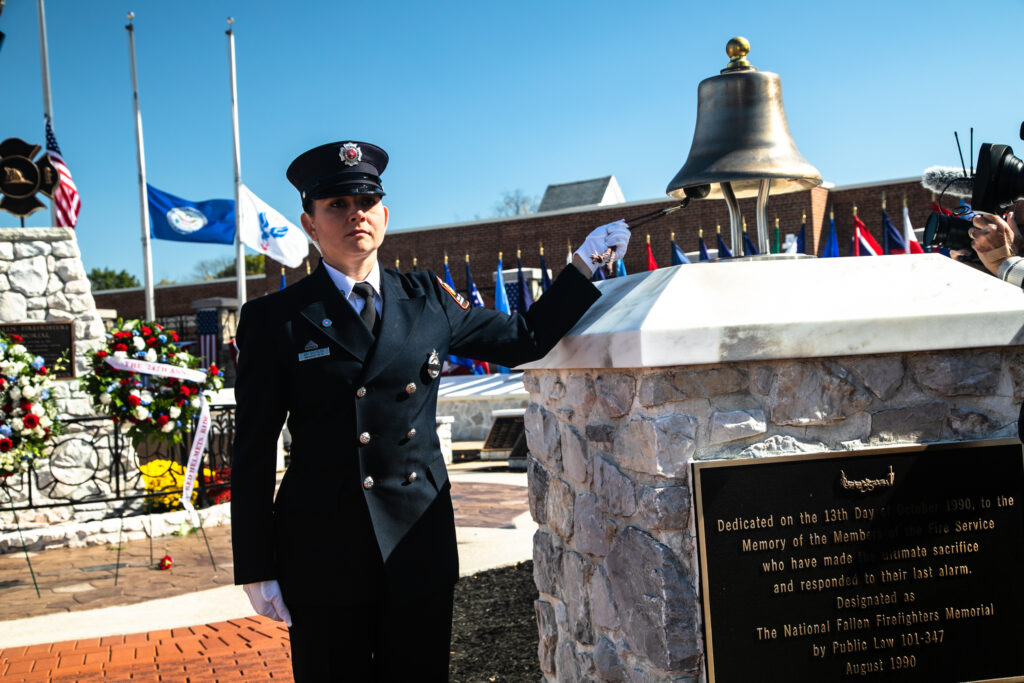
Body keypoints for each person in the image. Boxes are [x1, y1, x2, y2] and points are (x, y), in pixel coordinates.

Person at [230, 140, 630, 682]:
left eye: (367, 202)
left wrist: (582, 267)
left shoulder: (428, 299)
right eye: (337, 206)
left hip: (417, 538)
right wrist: (257, 566)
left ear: (385, 215)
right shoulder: (274, 320)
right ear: (310, 223)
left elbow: (524, 337)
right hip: (322, 550)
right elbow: (252, 451)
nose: (356, 216)